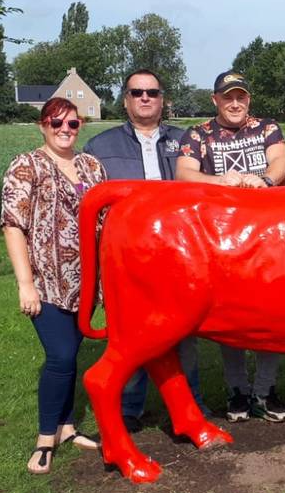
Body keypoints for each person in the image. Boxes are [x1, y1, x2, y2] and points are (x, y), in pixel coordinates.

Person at [82, 68, 206, 432]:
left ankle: (192, 406)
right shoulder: (100, 147)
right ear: (126, 100)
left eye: (152, 92)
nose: (145, 98)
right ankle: (128, 409)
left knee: (183, 334)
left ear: (163, 99)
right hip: (129, 258)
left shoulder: (186, 141)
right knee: (131, 333)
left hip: (181, 254)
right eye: (137, 92)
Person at [177, 71, 285, 423]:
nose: (235, 103)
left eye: (241, 96)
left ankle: (265, 390)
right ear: (215, 100)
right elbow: (183, 173)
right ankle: (237, 391)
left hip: (268, 239)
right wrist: (218, 181)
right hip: (221, 241)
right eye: (228, 97)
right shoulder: (198, 134)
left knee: (272, 314)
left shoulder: (267, 128)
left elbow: (280, 163)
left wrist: (265, 179)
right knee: (231, 316)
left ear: (249, 100)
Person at [2, 97, 106, 474]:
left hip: (86, 282)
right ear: (42, 126)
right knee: (60, 356)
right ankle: (45, 438)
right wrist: (25, 284)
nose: (65, 129)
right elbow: (13, 225)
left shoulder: (92, 166)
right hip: (46, 280)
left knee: (70, 355)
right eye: (56, 122)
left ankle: (67, 427)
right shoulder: (26, 165)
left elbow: (105, 220)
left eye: (72, 123)